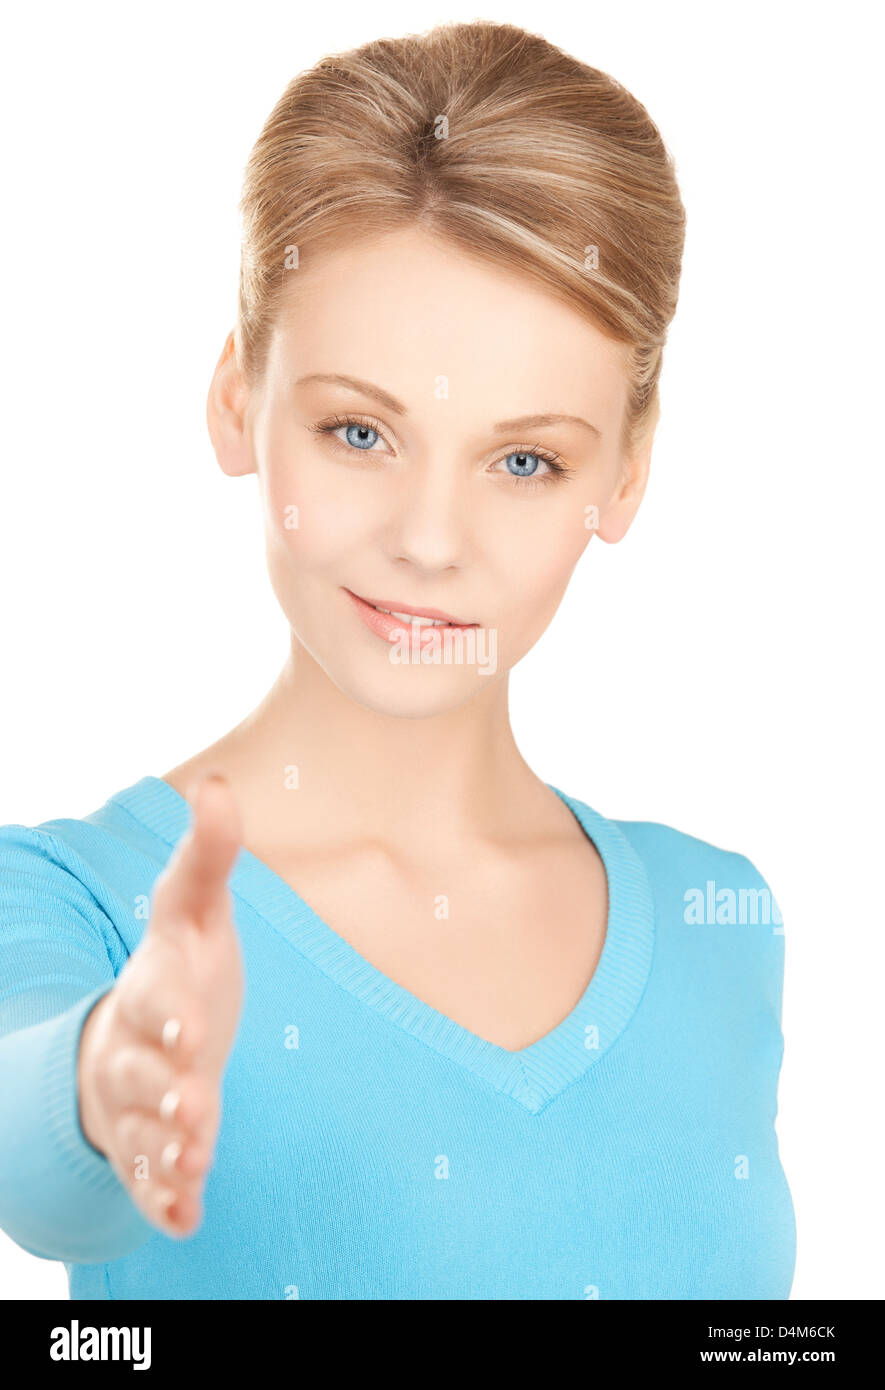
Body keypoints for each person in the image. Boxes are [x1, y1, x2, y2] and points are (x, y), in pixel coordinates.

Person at [0, 20, 795, 1299]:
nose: (429, 541)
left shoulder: (726, 920)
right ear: (235, 394)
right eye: (360, 430)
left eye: (524, 460)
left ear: (628, 471)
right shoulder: (75, 899)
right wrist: (104, 1080)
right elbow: (37, 1174)